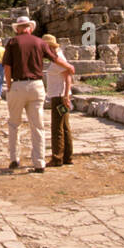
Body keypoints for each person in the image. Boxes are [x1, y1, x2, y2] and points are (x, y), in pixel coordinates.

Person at [2, 16, 74, 173]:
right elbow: (55, 59)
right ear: (31, 28)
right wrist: (69, 66)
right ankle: (39, 162)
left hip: (18, 84)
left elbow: (7, 67)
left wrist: (9, 85)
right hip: (36, 85)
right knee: (38, 126)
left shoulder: (13, 42)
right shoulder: (40, 42)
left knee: (14, 124)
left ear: (18, 29)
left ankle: (14, 159)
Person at [41, 34, 74, 166]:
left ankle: (57, 157)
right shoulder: (57, 57)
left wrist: (66, 96)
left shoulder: (58, 58)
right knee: (65, 126)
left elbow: (68, 76)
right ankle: (67, 157)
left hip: (59, 96)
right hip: (60, 95)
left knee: (57, 128)